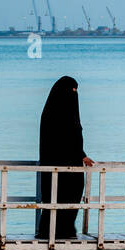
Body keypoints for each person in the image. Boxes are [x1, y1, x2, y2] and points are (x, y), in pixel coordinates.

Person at [35, 76, 94, 239]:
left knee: (62, 194)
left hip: (62, 161)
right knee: (64, 193)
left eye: (76, 90)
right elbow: (67, 136)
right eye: (72, 90)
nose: (74, 94)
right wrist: (81, 155)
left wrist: (81, 155)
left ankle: (58, 230)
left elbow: (70, 136)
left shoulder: (50, 111)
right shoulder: (56, 113)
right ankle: (57, 231)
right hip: (62, 163)